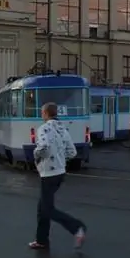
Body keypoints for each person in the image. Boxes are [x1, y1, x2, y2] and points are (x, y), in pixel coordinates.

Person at [28, 102, 87, 250]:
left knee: (47, 209)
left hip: (48, 173)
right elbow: (72, 152)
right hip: (60, 172)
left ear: (46, 113)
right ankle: (41, 240)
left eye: (42, 112)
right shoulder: (62, 129)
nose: (41, 115)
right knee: (42, 207)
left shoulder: (44, 128)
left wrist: (36, 155)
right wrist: (60, 159)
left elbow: (44, 147)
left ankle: (77, 227)